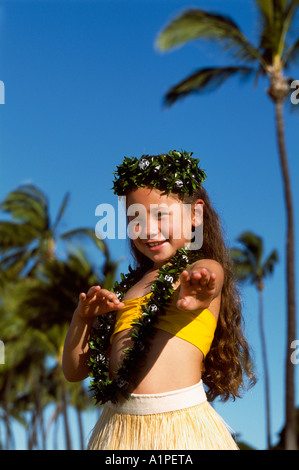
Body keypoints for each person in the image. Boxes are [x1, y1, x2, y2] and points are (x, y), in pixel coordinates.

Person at [62, 150, 255, 450]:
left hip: (181, 429)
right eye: (134, 218)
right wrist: (82, 318)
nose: (147, 229)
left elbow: (210, 272)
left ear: (195, 215)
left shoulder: (196, 271)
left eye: (161, 215)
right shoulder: (130, 288)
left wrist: (200, 288)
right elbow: (74, 372)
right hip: (119, 430)